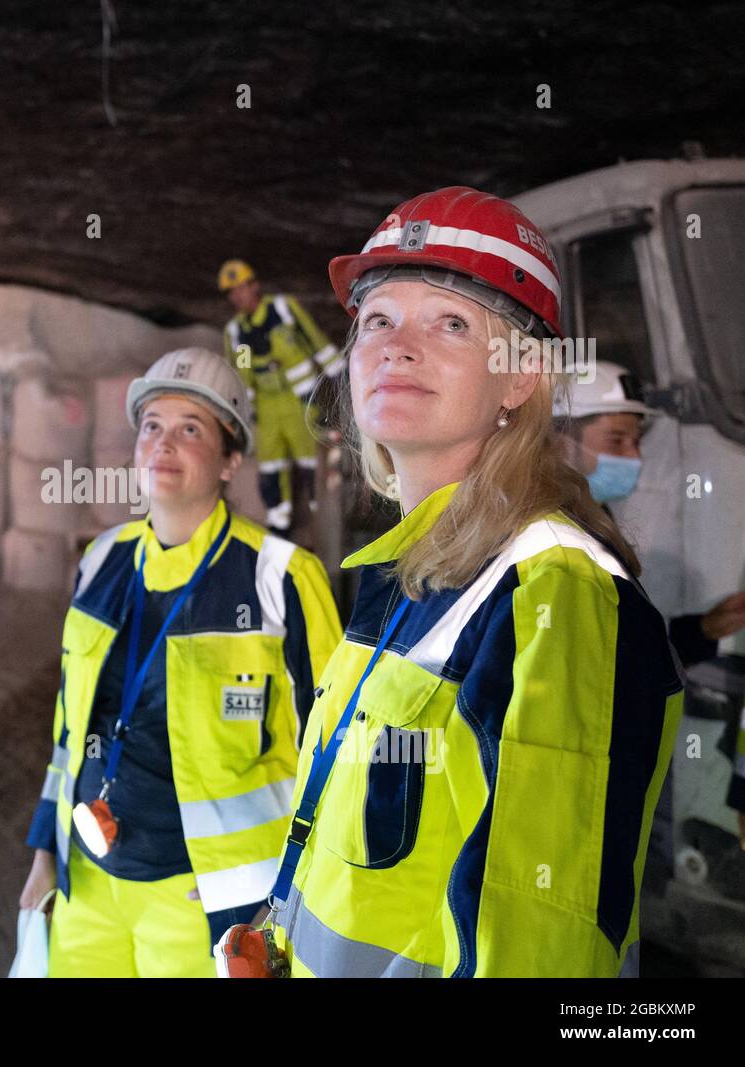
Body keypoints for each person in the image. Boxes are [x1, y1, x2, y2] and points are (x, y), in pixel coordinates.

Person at [265, 186, 683, 977]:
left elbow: (537, 945)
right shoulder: (401, 576)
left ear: (520, 377)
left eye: (451, 322)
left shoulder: (553, 589)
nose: (397, 345)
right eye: (378, 320)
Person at [18, 347, 342, 977]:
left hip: (205, 899)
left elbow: (333, 756)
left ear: (230, 460)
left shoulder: (280, 578)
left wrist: (286, 893)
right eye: (152, 426)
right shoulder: (101, 561)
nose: (164, 444)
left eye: (190, 429)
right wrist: (43, 851)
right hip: (88, 883)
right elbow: (69, 727)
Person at [555, 361, 745, 849]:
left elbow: (620, 652)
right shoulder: (547, 541)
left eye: (636, 440)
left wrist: (703, 629)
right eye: (616, 440)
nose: (634, 456)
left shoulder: (594, 522)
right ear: (556, 438)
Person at [218, 260, 344, 535]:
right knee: (270, 467)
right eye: (233, 293)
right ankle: (279, 526)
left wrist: (342, 376)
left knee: (311, 461)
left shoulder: (283, 309)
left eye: (243, 288)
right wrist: (245, 408)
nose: (239, 296)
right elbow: (243, 369)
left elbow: (313, 338)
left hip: (298, 399)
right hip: (266, 406)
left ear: (254, 286)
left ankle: (320, 521)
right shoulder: (236, 331)